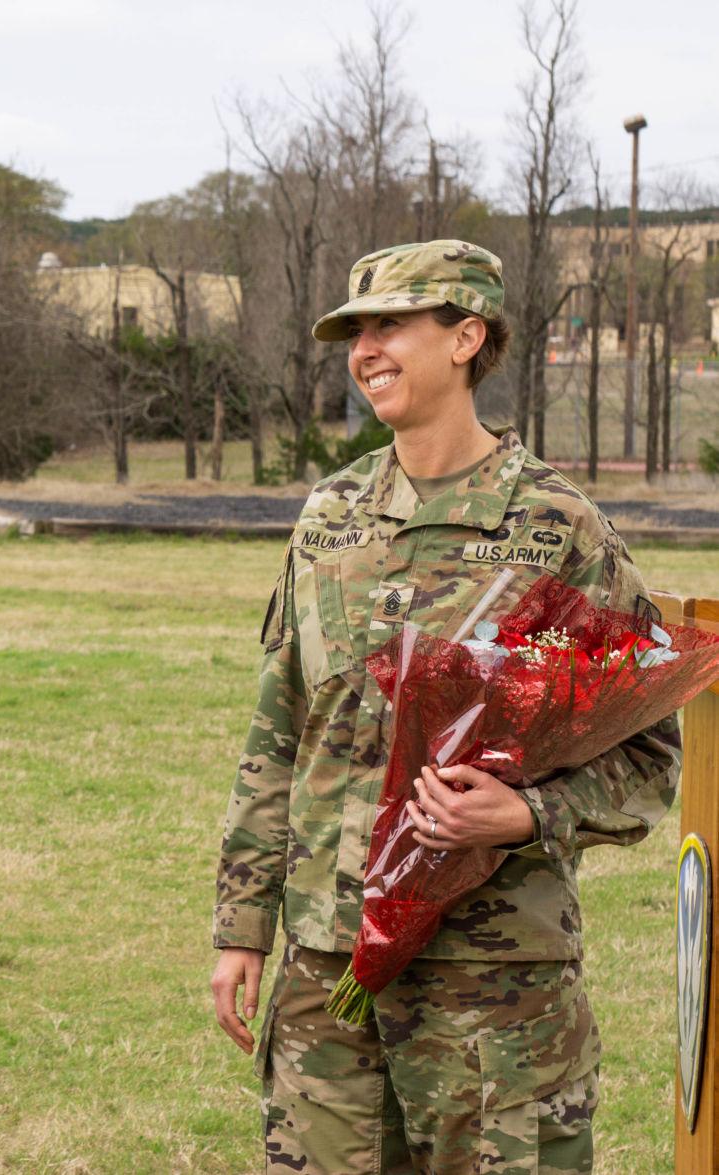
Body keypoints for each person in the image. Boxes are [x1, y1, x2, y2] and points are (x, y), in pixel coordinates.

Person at [209, 240, 682, 1173]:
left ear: (467, 337)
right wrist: (241, 927)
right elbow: (278, 732)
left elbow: (650, 757)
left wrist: (527, 813)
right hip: (324, 968)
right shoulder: (329, 515)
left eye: (390, 324)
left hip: (491, 991)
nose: (364, 349)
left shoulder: (558, 529)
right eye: (354, 332)